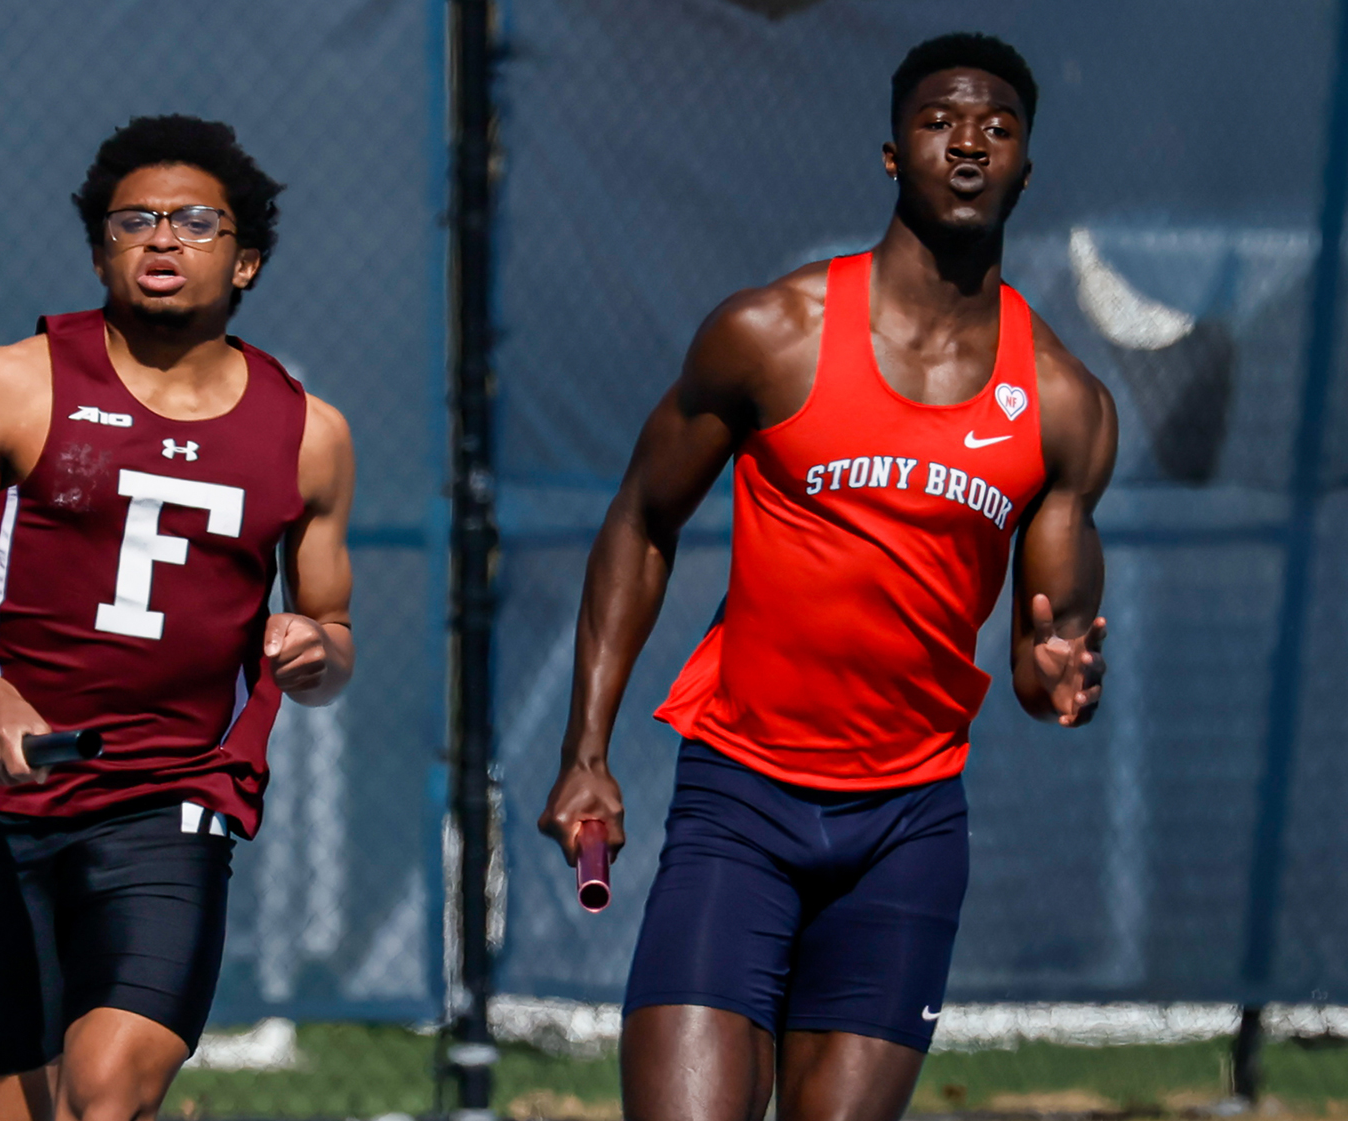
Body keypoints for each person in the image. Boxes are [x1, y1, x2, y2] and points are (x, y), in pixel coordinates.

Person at [537, 32, 1117, 1121]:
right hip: (738, 803)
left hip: (903, 830)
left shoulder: (1062, 404)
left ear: (1025, 170)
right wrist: (586, 752)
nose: (966, 144)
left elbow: (1048, 664)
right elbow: (639, 517)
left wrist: (1060, 670)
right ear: (891, 152)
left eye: (996, 128)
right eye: (939, 120)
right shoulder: (772, 334)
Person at [0, 115, 356, 1121]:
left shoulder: (306, 433)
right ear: (99, 249)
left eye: (195, 221)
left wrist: (316, 649)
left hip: (169, 804)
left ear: (247, 259)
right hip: (16, 807)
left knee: (104, 1095)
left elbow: (332, 624)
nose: (163, 238)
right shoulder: (17, 382)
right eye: (133, 219)